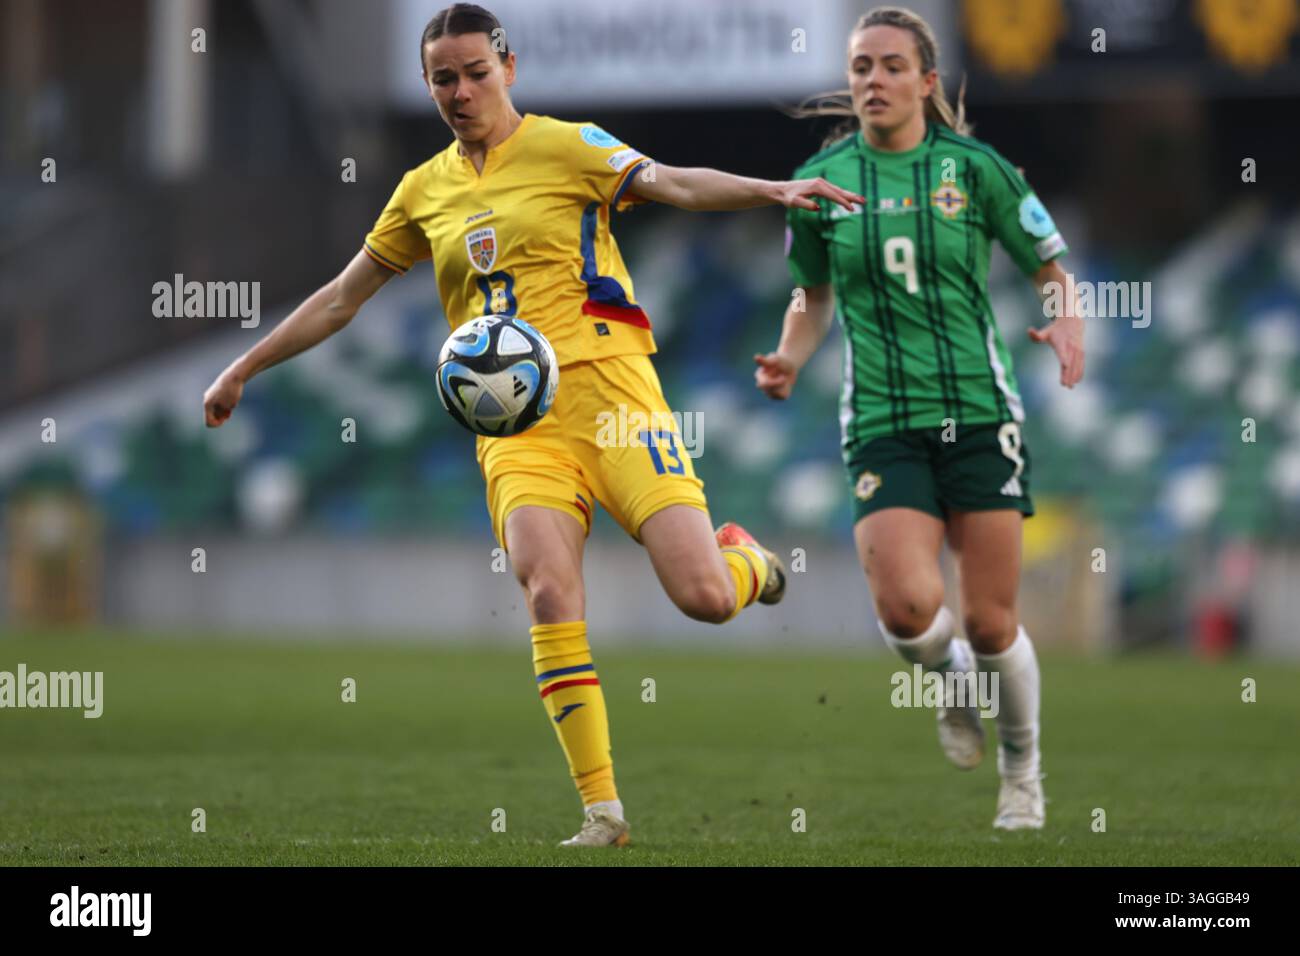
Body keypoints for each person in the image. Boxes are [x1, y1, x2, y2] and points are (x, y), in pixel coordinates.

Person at [202, 3, 863, 848]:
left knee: (702, 597)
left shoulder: (565, 145)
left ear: (508, 68)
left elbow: (669, 181)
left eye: (477, 72)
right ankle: (602, 810)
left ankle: (750, 562)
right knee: (547, 587)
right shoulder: (424, 191)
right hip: (517, 425)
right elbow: (341, 298)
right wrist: (241, 368)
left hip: (616, 397)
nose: (462, 91)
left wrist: (770, 189)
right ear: (429, 85)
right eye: (444, 78)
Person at [755, 5, 1084, 830]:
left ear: (926, 82)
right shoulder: (821, 182)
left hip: (978, 412)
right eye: (861, 66)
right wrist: (791, 353)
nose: (873, 80)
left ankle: (1023, 773)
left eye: (891, 66)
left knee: (991, 618)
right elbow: (811, 293)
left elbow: (1050, 264)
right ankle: (952, 680)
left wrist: (1067, 316)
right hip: (882, 419)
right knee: (906, 611)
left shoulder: (975, 171)